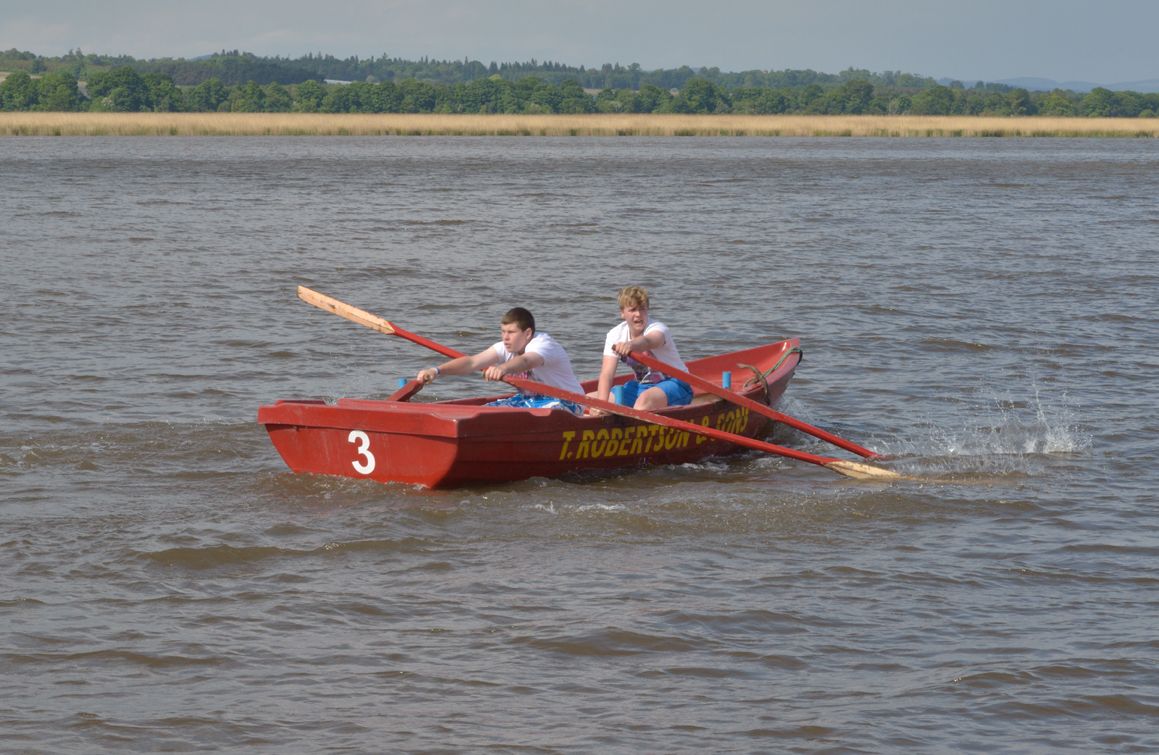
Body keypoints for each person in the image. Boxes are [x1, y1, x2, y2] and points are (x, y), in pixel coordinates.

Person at [416, 307, 585, 415]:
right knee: (484, 414)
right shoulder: (506, 347)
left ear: (527, 333)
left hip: (569, 402)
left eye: (511, 332)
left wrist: (502, 368)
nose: (505, 337)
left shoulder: (544, 344)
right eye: (503, 331)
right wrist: (436, 371)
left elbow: (526, 361)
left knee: (544, 414)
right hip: (530, 400)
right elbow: (472, 363)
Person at [595, 286, 693, 412]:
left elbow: (647, 341)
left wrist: (630, 345)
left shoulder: (658, 328)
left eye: (642, 309)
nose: (638, 314)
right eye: (633, 310)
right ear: (622, 313)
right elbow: (607, 374)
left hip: (677, 383)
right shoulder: (614, 335)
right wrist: (602, 405)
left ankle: (632, 429)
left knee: (643, 401)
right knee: (589, 400)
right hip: (641, 386)